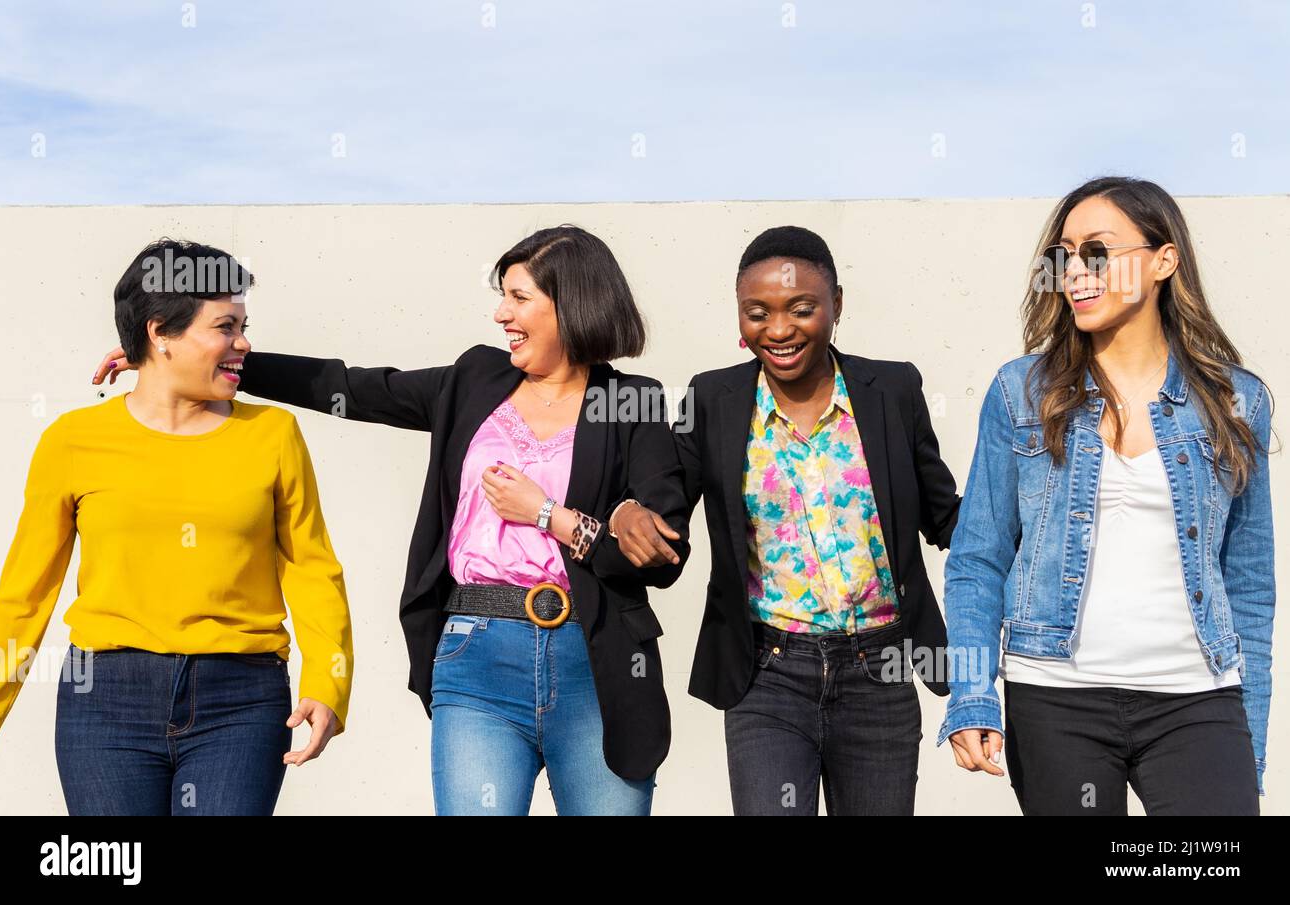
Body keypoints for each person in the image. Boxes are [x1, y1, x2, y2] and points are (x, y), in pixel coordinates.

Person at [94, 224, 690, 815]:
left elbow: (660, 559)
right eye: (502, 295)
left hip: (595, 661)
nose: (500, 314)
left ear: (573, 303)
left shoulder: (632, 401)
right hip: (477, 654)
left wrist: (548, 516)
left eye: (518, 298)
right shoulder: (476, 380)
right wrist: (192, 361)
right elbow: (355, 388)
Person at [940, 176, 1275, 815]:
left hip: (1197, 700)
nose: (1075, 272)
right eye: (1064, 255)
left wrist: (1248, 739)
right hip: (1057, 697)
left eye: (1098, 251)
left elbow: (1251, 583)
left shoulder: (1237, 401)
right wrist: (973, 694)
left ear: (1163, 260)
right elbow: (977, 559)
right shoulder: (1023, 393)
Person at [0, 239, 353, 815]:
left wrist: (328, 683)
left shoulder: (272, 434)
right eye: (225, 327)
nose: (244, 344)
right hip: (105, 698)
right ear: (161, 333)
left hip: (243, 700)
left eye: (243, 325)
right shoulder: (71, 440)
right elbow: (24, 595)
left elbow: (312, 567)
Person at [615, 226, 961, 814]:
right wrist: (628, 509)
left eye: (801, 309)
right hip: (767, 675)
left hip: (881, 670)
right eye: (758, 313)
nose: (778, 330)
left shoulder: (893, 390)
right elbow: (663, 500)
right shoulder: (714, 399)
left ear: (836, 306)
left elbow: (947, 517)